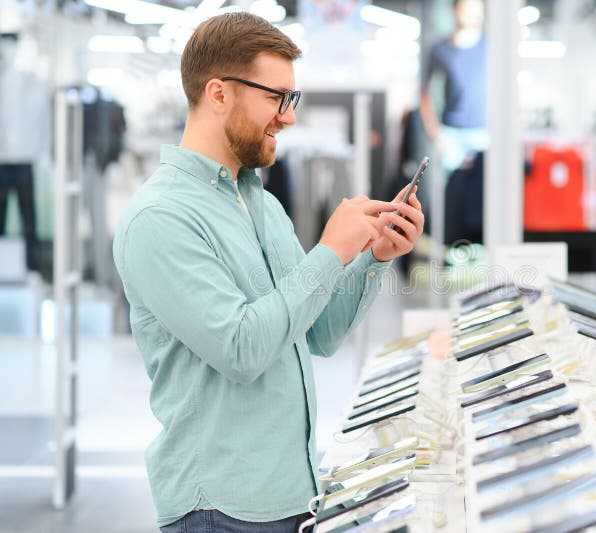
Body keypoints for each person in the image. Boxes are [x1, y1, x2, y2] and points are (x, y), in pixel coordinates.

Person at [112, 13, 424, 533]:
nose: (289, 117)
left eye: (292, 100)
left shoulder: (261, 204)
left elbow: (319, 333)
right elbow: (241, 348)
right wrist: (330, 249)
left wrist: (373, 256)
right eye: (277, 97)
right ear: (219, 94)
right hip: (220, 511)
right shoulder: (160, 218)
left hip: (292, 495)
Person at [420, 0, 488, 175]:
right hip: (452, 133)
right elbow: (425, 93)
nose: (472, 14)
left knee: (482, 192)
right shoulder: (441, 50)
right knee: (452, 193)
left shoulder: (490, 46)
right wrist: (435, 131)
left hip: (484, 132)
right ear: (456, 11)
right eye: (467, 8)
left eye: (476, 9)